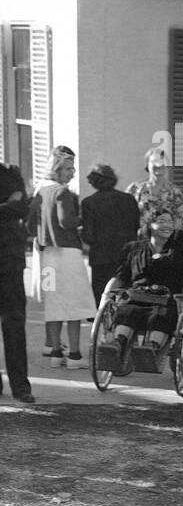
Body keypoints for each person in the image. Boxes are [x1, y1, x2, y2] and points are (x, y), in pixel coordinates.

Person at [100, 205, 183, 369]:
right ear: (149, 225)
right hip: (136, 296)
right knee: (127, 311)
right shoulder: (133, 249)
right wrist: (105, 298)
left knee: (159, 315)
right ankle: (117, 344)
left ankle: (151, 348)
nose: (167, 226)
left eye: (170, 222)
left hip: (166, 298)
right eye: (161, 221)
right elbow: (119, 277)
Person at [28, 151, 97, 369]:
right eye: (68, 168)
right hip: (67, 255)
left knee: (53, 305)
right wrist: (82, 219)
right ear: (57, 169)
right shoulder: (62, 193)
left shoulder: (40, 192)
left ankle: (55, 352)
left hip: (47, 255)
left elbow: (30, 225)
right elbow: (66, 221)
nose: (72, 172)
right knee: (74, 306)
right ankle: (75, 356)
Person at [81, 163, 140, 303]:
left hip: (101, 257)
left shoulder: (89, 203)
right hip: (126, 255)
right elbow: (136, 225)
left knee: (102, 299)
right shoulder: (129, 199)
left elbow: (88, 236)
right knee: (124, 296)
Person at [0, 164, 33, 402]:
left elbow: (21, 208)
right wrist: (7, 205)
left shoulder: (11, 173)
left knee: (15, 326)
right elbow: (12, 207)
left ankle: (20, 386)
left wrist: (13, 204)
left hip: (10, 261)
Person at [126, 145, 183, 231]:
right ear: (147, 165)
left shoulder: (177, 193)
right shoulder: (134, 189)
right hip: (141, 241)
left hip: (167, 241)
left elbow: (180, 223)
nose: (158, 165)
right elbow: (126, 217)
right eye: (154, 161)